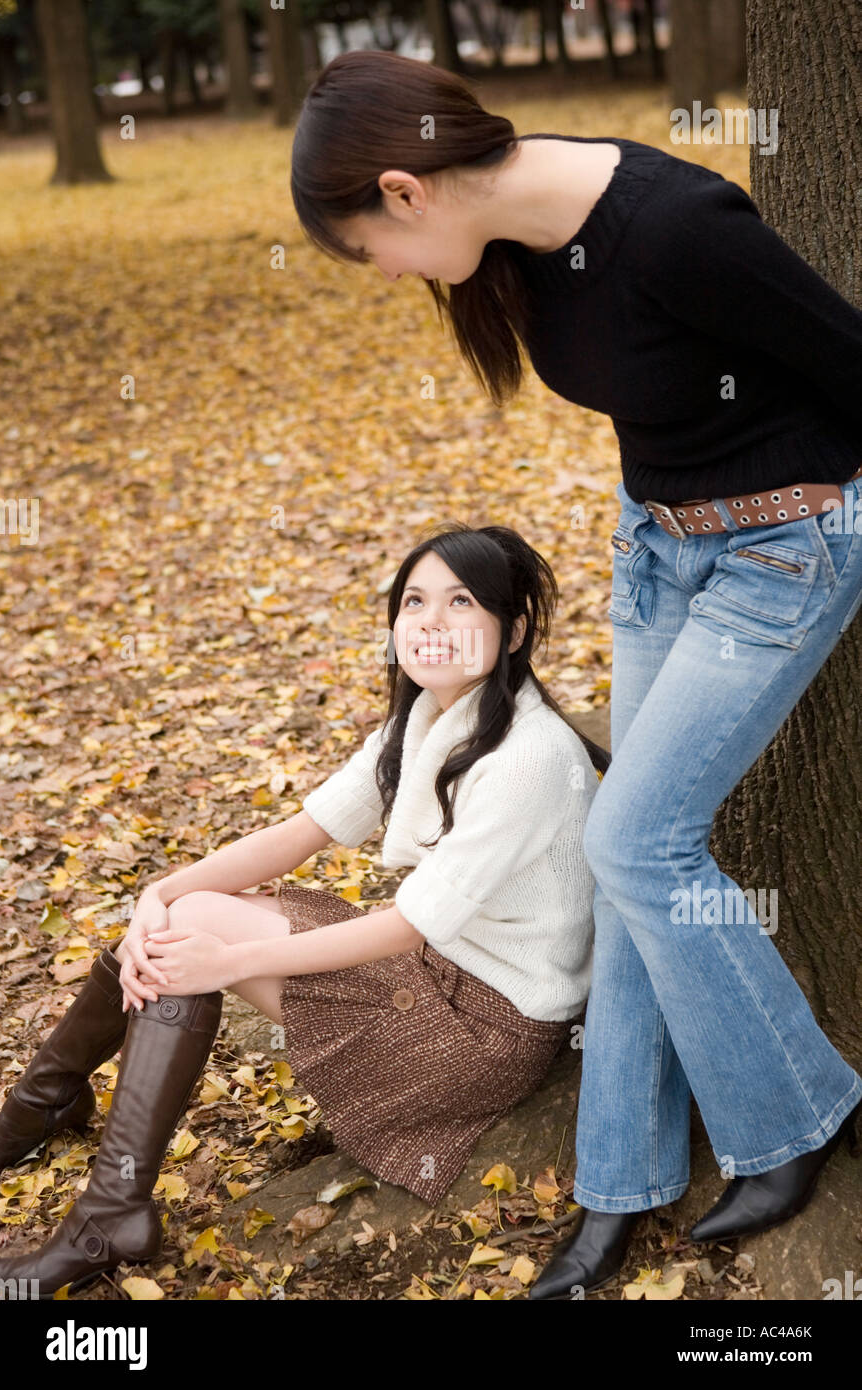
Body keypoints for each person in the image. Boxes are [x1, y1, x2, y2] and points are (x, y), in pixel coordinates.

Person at [287, 50, 862, 1298]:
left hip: (783, 547)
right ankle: (616, 1187)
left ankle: (798, 1105)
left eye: (366, 249)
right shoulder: (521, 239)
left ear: (404, 189)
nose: (383, 274)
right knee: (623, 856)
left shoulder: (677, 228)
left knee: (639, 845)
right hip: (658, 548)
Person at [0, 523, 603, 1298]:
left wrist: (229, 960)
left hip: (478, 1032)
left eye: (462, 602)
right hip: (435, 976)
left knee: (194, 938)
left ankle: (87, 1185)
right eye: (415, 601)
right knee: (179, 917)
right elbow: (301, 832)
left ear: (513, 629)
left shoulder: (526, 756)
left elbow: (407, 924)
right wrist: (161, 890)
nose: (432, 622)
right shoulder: (425, 716)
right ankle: (46, 1114)